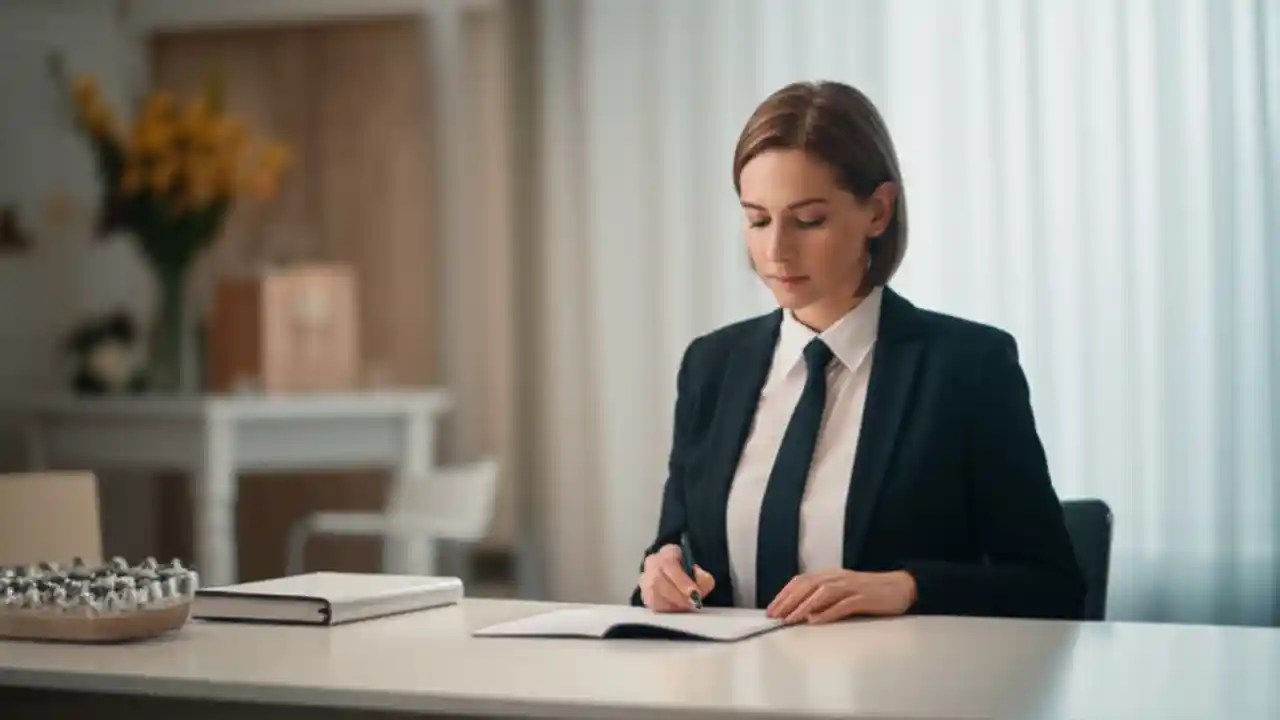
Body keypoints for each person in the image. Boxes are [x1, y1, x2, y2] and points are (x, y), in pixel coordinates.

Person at [632, 81, 1085, 624]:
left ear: (878, 211)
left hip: (899, 678)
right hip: (731, 678)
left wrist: (907, 587)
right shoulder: (711, 365)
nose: (775, 250)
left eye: (808, 220)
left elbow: (1052, 586)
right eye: (757, 220)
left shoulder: (968, 367)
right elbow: (675, 549)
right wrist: (661, 575)